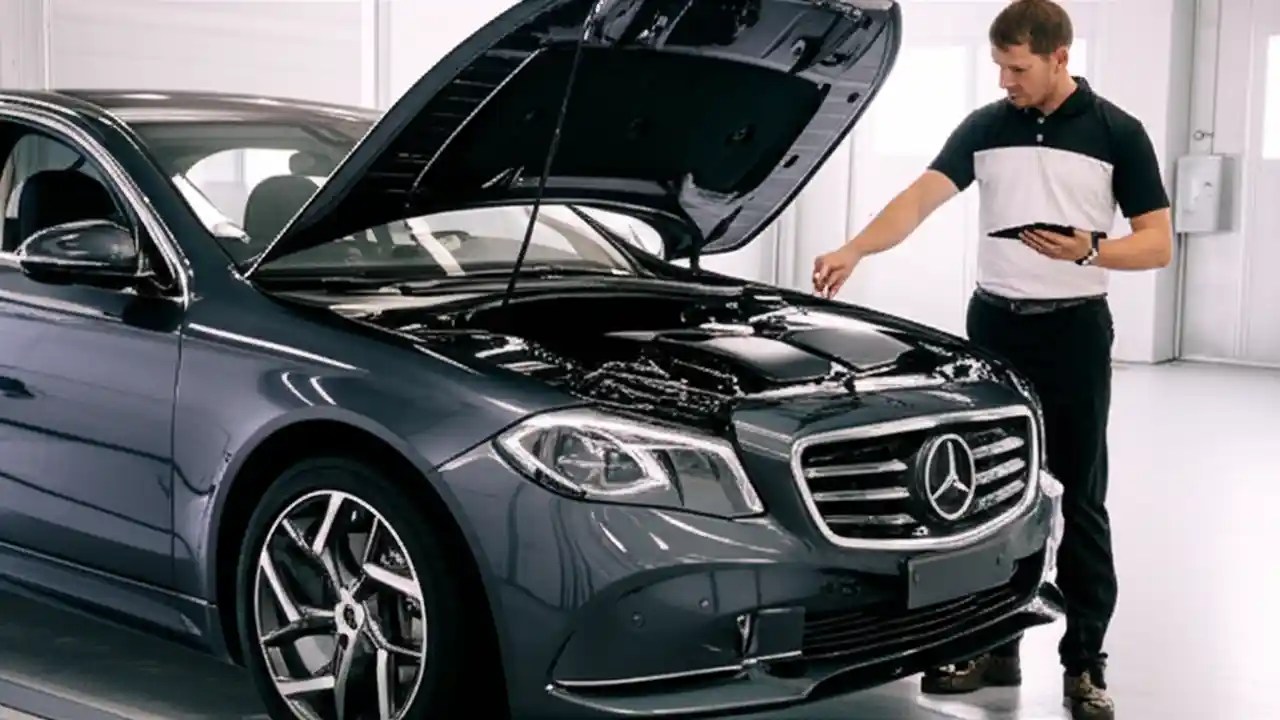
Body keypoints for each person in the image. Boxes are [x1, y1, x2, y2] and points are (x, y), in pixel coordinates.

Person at [811, 1, 1172, 718]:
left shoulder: (1117, 134)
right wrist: (855, 247)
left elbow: (1157, 243)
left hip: (1073, 332)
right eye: (999, 67)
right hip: (994, 329)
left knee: (1079, 493)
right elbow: (919, 199)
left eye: (1018, 67)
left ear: (1059, 57)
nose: (1005, 80)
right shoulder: (986, 127)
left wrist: (1091, 250)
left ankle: (1084, 661)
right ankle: (989, 643)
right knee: (985, 495)